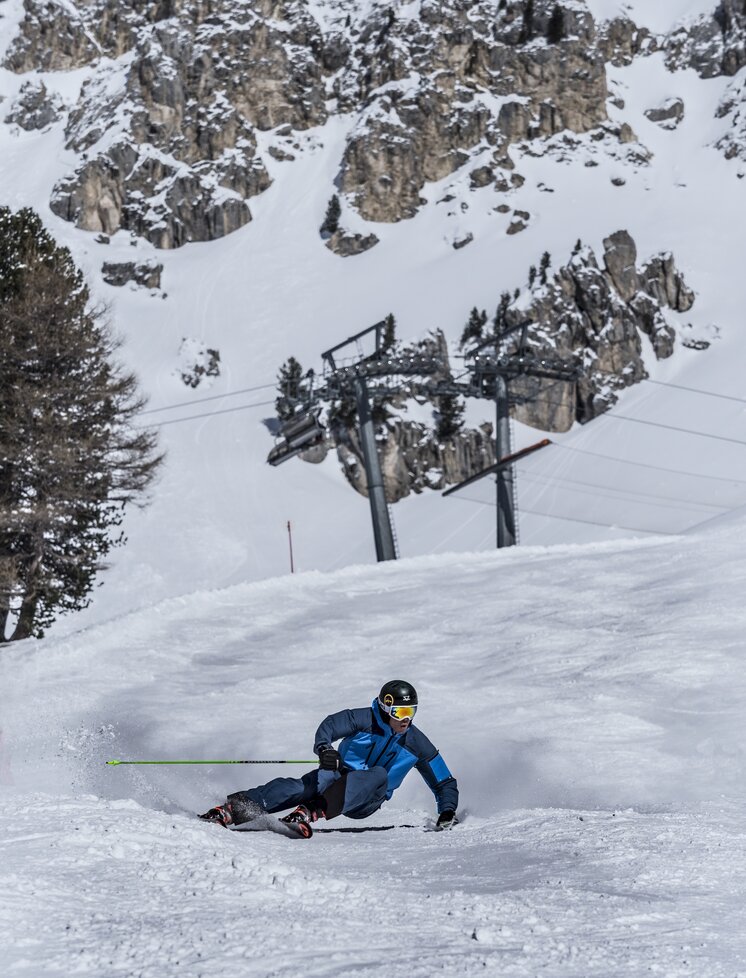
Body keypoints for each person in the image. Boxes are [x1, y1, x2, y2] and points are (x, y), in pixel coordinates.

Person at [199, 680, 459, 834]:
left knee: (379, 774)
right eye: (400, 712)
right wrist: (324, 749)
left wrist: (447, 810)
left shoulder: (416, 743)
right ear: (385, 707)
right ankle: (232, 810)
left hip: (367, 799)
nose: (406, 719)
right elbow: (330, 725)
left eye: (411, 711)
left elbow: (443, 780)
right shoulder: (364, 719)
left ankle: (312, 810)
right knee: (298, 787)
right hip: (337, 778)